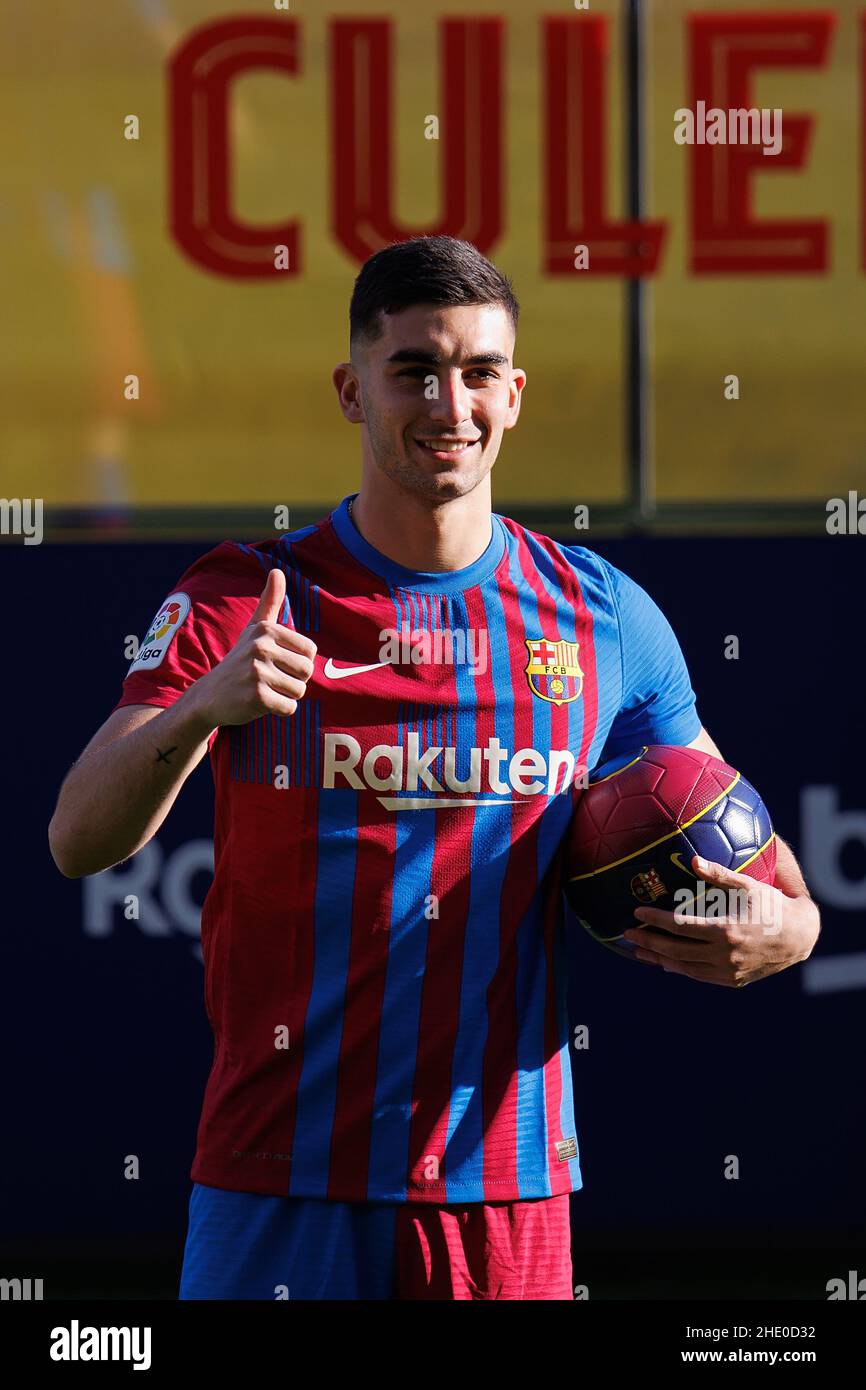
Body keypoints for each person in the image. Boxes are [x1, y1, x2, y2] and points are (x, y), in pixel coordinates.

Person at [48, 235, 820, 1301]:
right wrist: (200, 708)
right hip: (279, 1183)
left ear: (513, 395)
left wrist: (787, 932)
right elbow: (78, 838)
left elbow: (769, 871)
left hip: (503, 1200)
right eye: (411, 368)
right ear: (351, 391)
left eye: (474, 373)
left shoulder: (603, 617)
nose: (445, 403)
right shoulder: (247, 596)